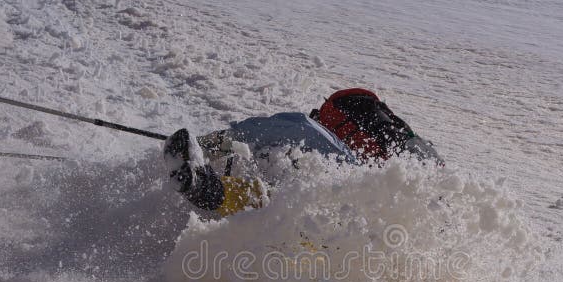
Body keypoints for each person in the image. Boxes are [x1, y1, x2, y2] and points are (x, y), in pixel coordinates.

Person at [162, 88, 442, 216]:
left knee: (300, 133)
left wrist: (225, 139)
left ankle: (210, 181)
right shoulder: (418, 155)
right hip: (375, 228)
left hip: (369, 203)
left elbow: (301, 128)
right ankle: (212, 191)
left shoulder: (345, 113)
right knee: (292, 203)